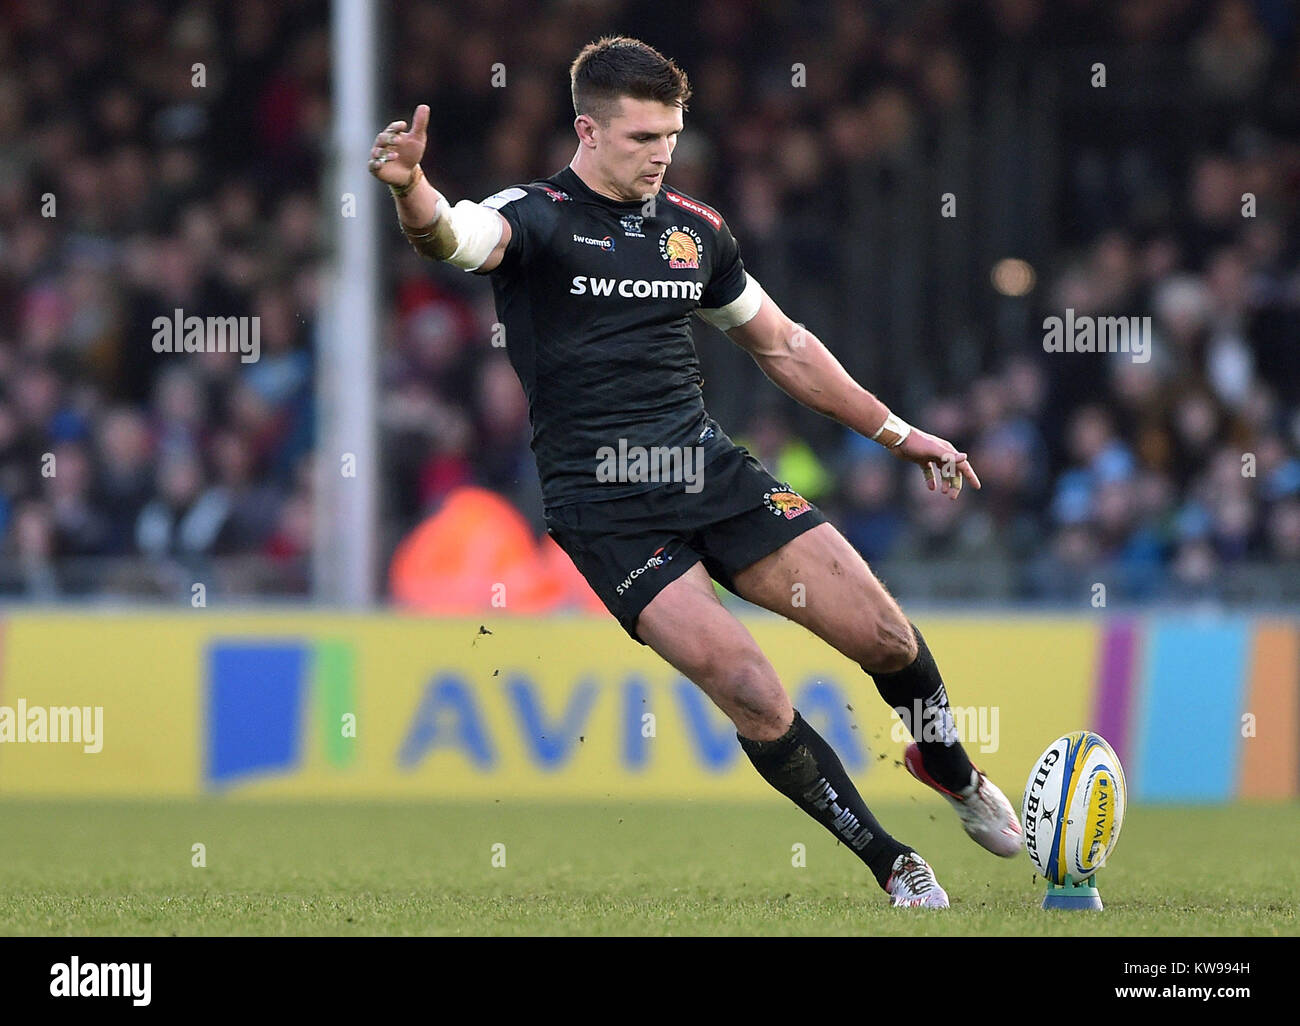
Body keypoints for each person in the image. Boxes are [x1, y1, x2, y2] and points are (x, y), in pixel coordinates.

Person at [369, 36, 1021, 907]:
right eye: (642, 138)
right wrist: (414, 189)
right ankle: (892, 860)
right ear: (587, 130)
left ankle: (950, 769)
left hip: (706, 470)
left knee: (888, 638)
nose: (661, 154)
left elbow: (783, 345)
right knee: (751, 689)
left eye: (671, 136)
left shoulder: (693, 232)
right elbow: (454, 237)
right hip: (605, 509)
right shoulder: (534, 217)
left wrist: (902, 435)